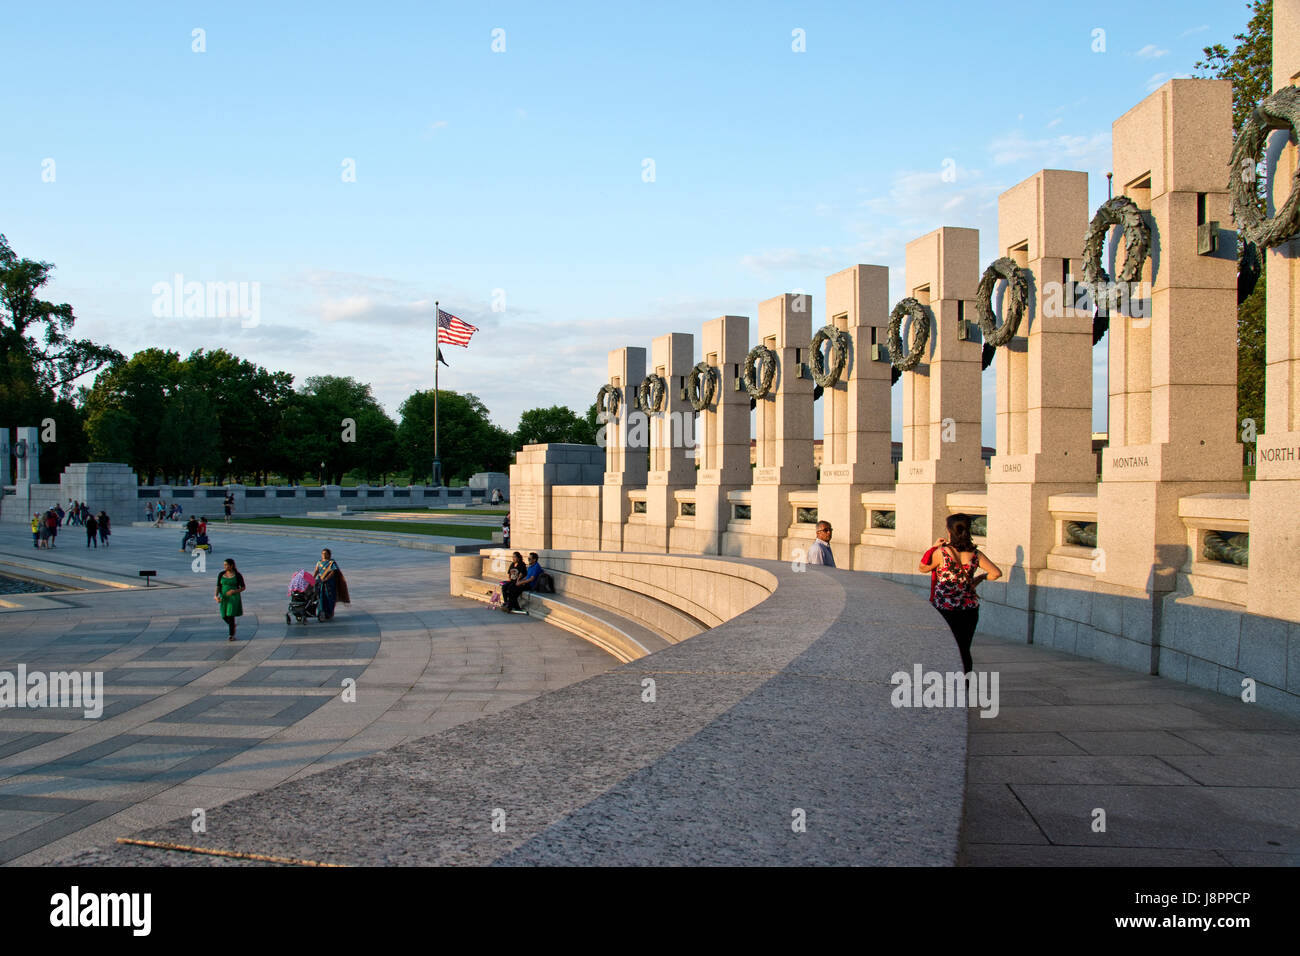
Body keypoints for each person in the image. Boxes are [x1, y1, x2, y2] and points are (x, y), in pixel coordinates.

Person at [917, 513, 1002, 674]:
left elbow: (923, 567)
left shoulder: (942, 553)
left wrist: (934, 547)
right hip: (969, 608)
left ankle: (947, 680)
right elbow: (996, 573)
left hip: (945, 608)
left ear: (949, 531)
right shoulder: (976, 554)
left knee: (946, 647)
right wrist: (981, 577)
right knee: (964, 648)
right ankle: (965, 684)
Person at [214, 558, 247, 641]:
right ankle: (232, 626)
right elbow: (218, 586)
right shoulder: (221, 574)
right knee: (223, 615)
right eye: (224, 565)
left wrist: (234, 591)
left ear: (231, 566)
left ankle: (231, 635)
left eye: (226, 565)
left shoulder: (237, 575)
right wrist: (216, 596)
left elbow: (243, 587)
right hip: (224, 597)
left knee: (230, 615)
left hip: (233, 598)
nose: (225, 566)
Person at [314, 548, 349, 621]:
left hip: (329, 583)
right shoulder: (319, 562)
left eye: (325, 553)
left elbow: (333, 572)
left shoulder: (331, 562)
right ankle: (322, 612)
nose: (323, 555)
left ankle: (329, 613)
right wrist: (312, 578)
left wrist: (326, 578)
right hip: (321, 583)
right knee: (321, 597)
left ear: (329, 554)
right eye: (322, 553)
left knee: (329, 597)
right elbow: (316, 570)